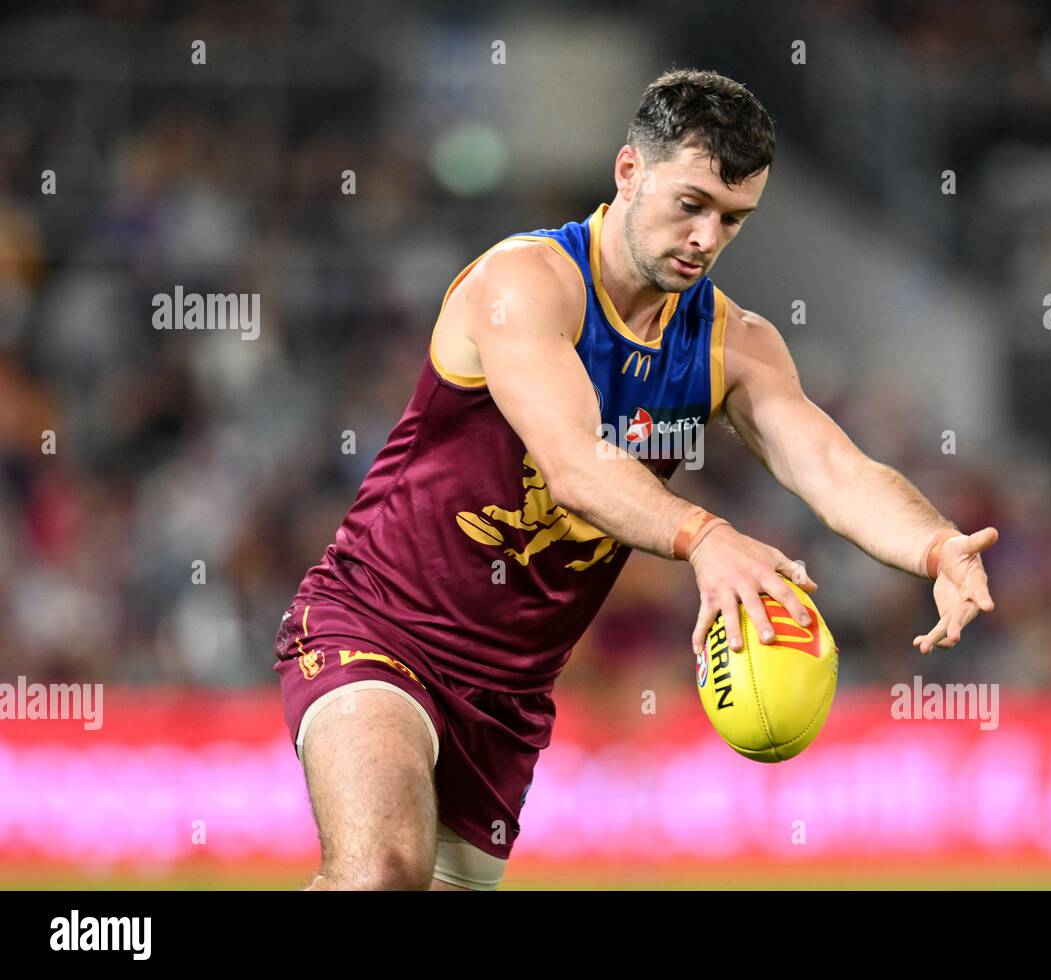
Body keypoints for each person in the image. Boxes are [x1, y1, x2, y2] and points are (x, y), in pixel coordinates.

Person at [274, 67, 998, 891]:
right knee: (380, 874)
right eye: (690, 204)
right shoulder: (525, 285)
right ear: (628, 172)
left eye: (732, 219)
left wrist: (935, 545)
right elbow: (576, 465)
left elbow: (831, 466)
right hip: (377, 627)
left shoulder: (735, 343)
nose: (706, 238)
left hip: (510, 698)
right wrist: (705, 537)